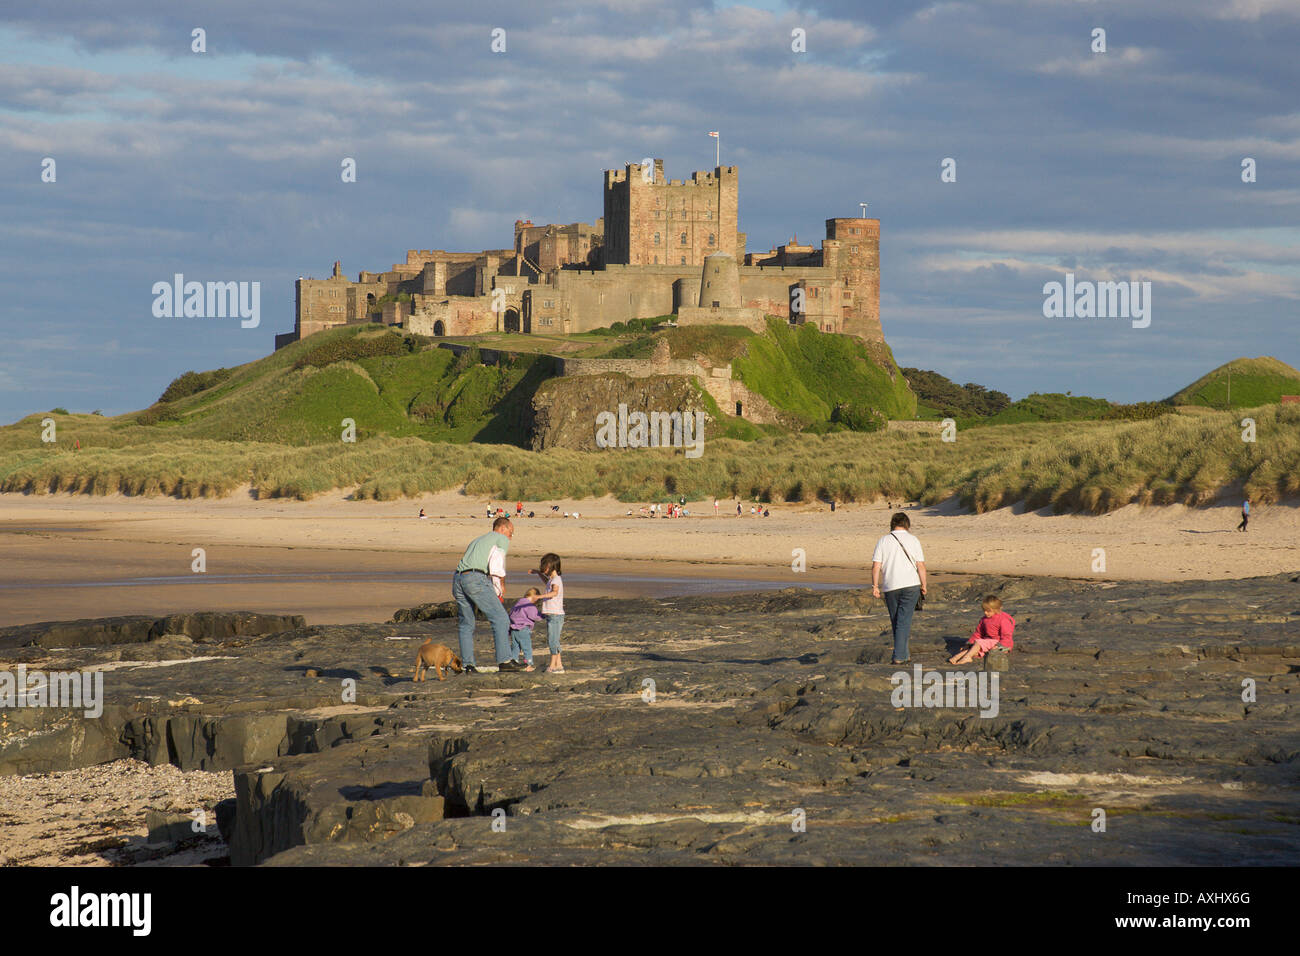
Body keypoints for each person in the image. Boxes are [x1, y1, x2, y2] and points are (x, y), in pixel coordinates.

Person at [451, 516, 522, 673]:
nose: (511, 537)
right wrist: (500, 587)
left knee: (466, 624)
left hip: (458, 579)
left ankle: (468, 665)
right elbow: (496, 567)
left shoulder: (478, 540)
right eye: (511, 532)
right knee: (501, 618)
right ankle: (504, 660)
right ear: (502, 528)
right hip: (475, 579)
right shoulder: (500, 538)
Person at [871, 512, 927, 665]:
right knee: (902, 621)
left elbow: (876, 566)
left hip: (891, 586)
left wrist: (875, 586)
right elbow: (920, 565)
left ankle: (900, 655)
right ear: (907, 524)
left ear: (892, 524)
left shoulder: (883, 540)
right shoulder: (913, 539)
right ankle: (902, 655)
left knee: (898, 621)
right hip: (911, 585)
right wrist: (924, 585)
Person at [948, 595, 1015, 665]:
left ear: (996, 609)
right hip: (987, 642)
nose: (986, 613)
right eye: (984, 610)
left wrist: (1001, 645)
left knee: (979, 642)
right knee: (973, 649)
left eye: (988, 611)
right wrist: (969, 643)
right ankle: (957, 657)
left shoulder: (1003, 619)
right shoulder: (984, 619)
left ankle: (967, 657)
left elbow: (1007, 635)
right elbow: (978, 633)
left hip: (1000, 645)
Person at [532, 552, 566, 674]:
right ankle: (559, 666)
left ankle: (552, 666)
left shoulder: (556, 580)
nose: (543, 569)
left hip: (556, 615)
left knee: (553, 641)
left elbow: (554, 592)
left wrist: (540, 596)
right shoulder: (552, 580)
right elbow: (546, 582)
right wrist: (538, 573)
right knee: (554, 639)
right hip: (553, 615)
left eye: (545, 567)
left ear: (552, 566)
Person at [508, 587, 544, 671]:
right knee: (526, 648)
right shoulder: (530, 605)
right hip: (523, 629)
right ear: (535, 597)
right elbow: (534, 616)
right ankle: (528, 665)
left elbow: (510, 615)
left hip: (513, 629)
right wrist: (543, 615)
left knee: (515, 648)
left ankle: (514, 663)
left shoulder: (518, 603)